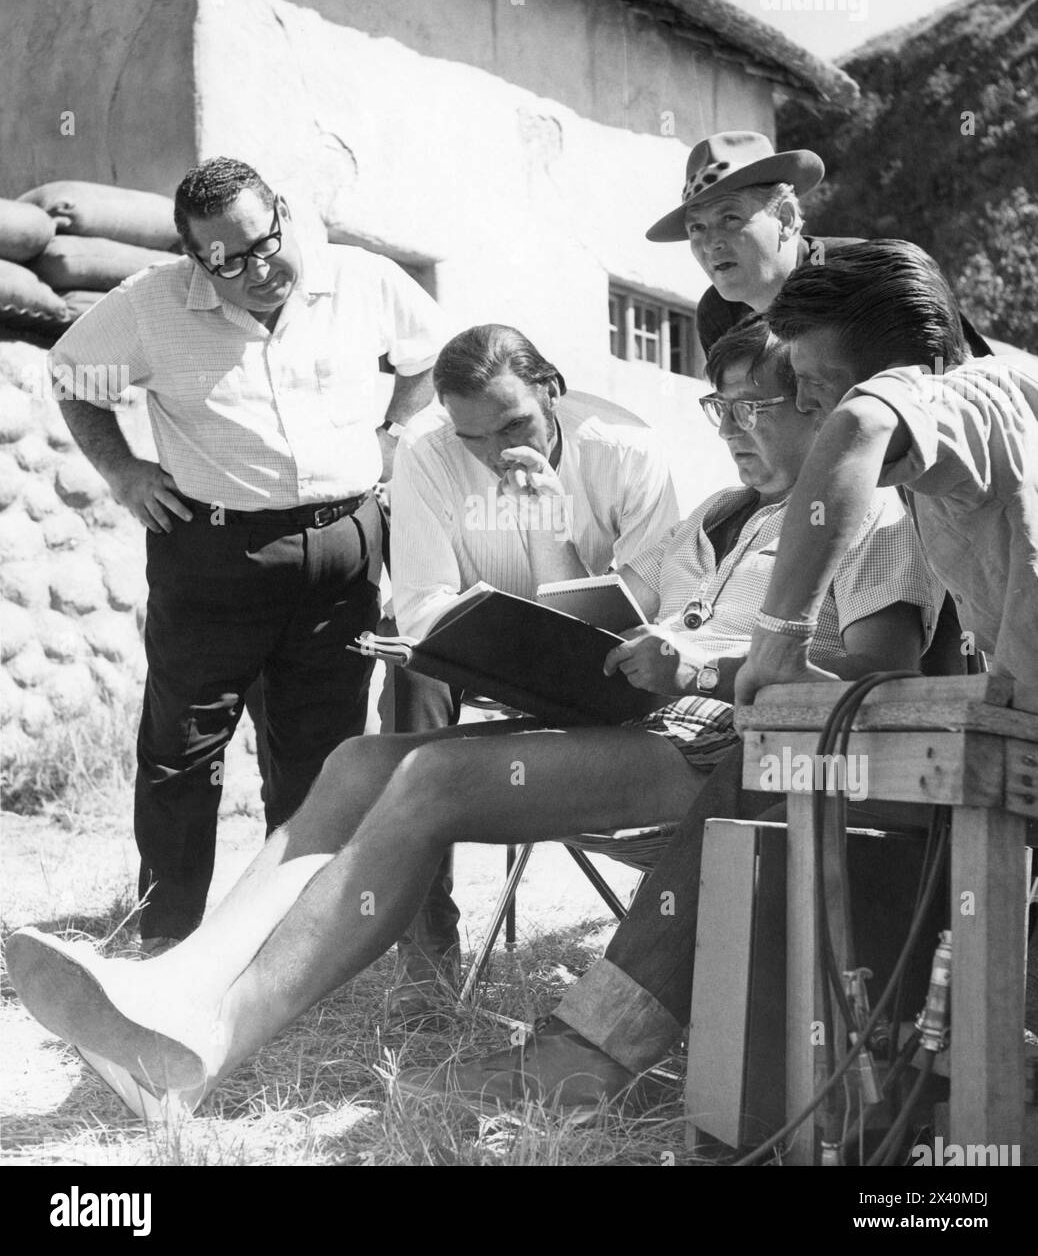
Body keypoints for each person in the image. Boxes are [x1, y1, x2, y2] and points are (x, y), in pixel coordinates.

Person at [7, 315, 944, 1115]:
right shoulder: (734, 513)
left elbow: (879, 681)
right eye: (721, 408)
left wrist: (705, 663)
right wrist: (616, 645)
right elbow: (645, 606)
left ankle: (205, 1047)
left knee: (436, 777)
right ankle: (175, 982)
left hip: (724, 755)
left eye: (756, 409)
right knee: (363, 760)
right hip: (649, 725)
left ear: (822, 410)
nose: (734, 429)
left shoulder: (879, 515)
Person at [49, 157, 448, 950]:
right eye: (222, 261)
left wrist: (392, 432)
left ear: (283, 215)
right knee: (184, 750)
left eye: (262, 245)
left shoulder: (363, 280)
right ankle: (168, 935)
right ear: (194, 257)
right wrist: (124, 472)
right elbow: (70, 375)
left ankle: (294, 936)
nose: (252, 271)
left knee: (320, 751)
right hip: (214, 557)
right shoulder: (149, 307)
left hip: (343, 546)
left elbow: (427, 353)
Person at [381, 324, 680, 1022]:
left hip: (603, 660)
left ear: (551, 388)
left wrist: (550, 530)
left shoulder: (625, 450)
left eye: (514, 424)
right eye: (473, 438)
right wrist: (495, 637)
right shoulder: (427, 453)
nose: (496, 453)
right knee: (409, 677)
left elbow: (652, 603)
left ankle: (651, 958)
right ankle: (424, 963)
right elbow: (421, 604)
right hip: (477, 652)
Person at [734, 238, 1038, 703]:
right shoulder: (1005, 399)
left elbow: (859, 423)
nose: (802, 402)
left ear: (897, 373)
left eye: (816, 382)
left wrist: (776, 644)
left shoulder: (965, 395)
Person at [645, 129, 991, 358]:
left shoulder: (868, 279)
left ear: (785, 219)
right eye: (697, 228)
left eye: (730, 219)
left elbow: (963, 386)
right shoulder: (719, 316)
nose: (710, 243)